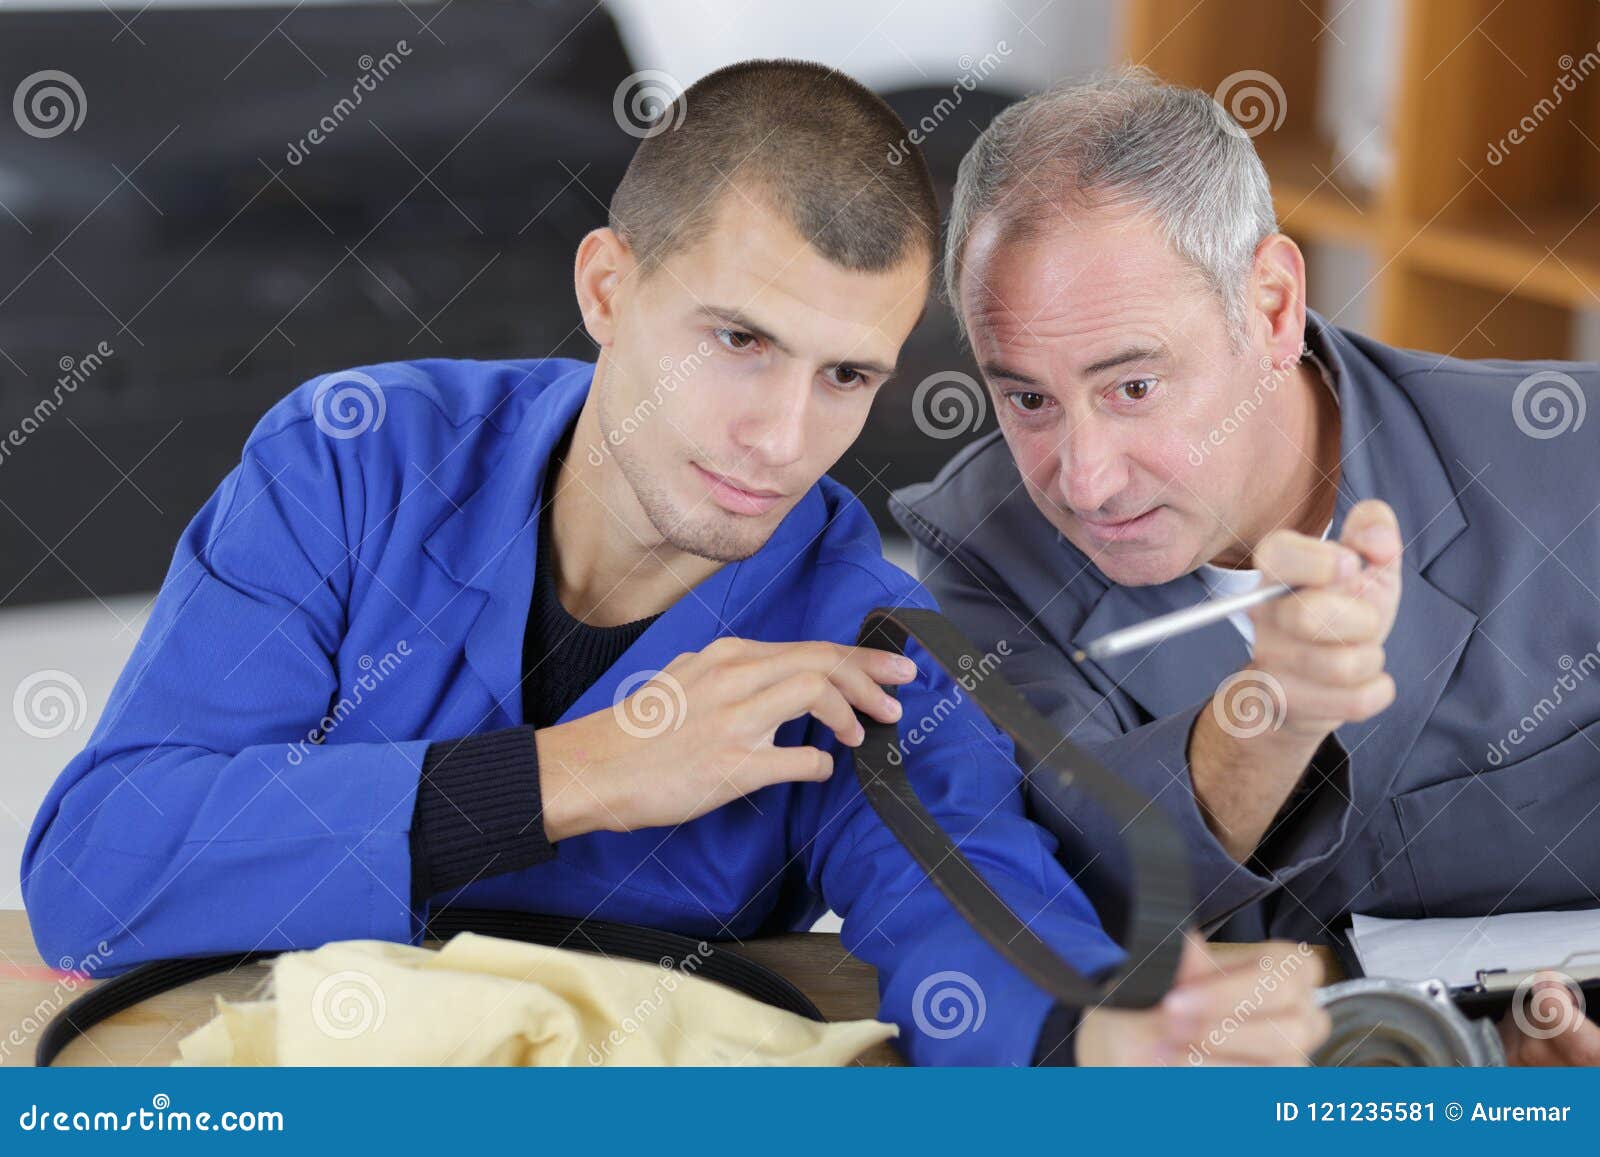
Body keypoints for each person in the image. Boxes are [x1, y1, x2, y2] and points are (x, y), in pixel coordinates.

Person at [23, 59, 1326, 1067]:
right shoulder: (352, 462)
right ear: (607, 287)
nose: (781, 438)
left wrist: (1087, 1039)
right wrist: (583, 773)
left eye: (846, 376)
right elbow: (95, 878)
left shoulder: (861, 643)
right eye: (739, 340)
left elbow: (970, 899)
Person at [890, 68, 1600, 1065]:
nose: (1084, 479)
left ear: (1269, 305)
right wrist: (1268, 711)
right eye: (1026, 400)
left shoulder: (1574, 462)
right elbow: (1075, 880)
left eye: (1132, 384)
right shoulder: (980, 542)